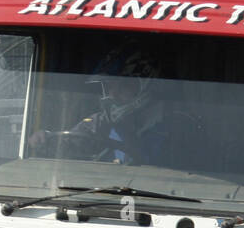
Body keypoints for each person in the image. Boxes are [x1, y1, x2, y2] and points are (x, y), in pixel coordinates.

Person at [28, 44, 171, 166]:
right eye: (109, 86)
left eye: (124, 85)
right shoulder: (103, 120)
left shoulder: (173, 122)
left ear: (145, 85)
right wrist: (45, 139)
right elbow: (71, 143)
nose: (113, 94)